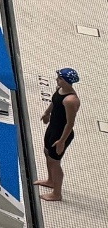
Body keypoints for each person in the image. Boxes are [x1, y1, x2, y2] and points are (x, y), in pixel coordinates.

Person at [37, 68, 79, 202]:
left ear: (66, 81)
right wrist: (46, 113)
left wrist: (61, 141)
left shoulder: (71, 100)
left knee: (55, 162)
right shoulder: (59, 89)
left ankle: (57, 193)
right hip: (52, 129)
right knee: (47, 153)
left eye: (60, 78)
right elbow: (54, 102)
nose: (57, 80)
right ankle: (50, 180)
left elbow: (70, 124)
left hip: (61, 134)